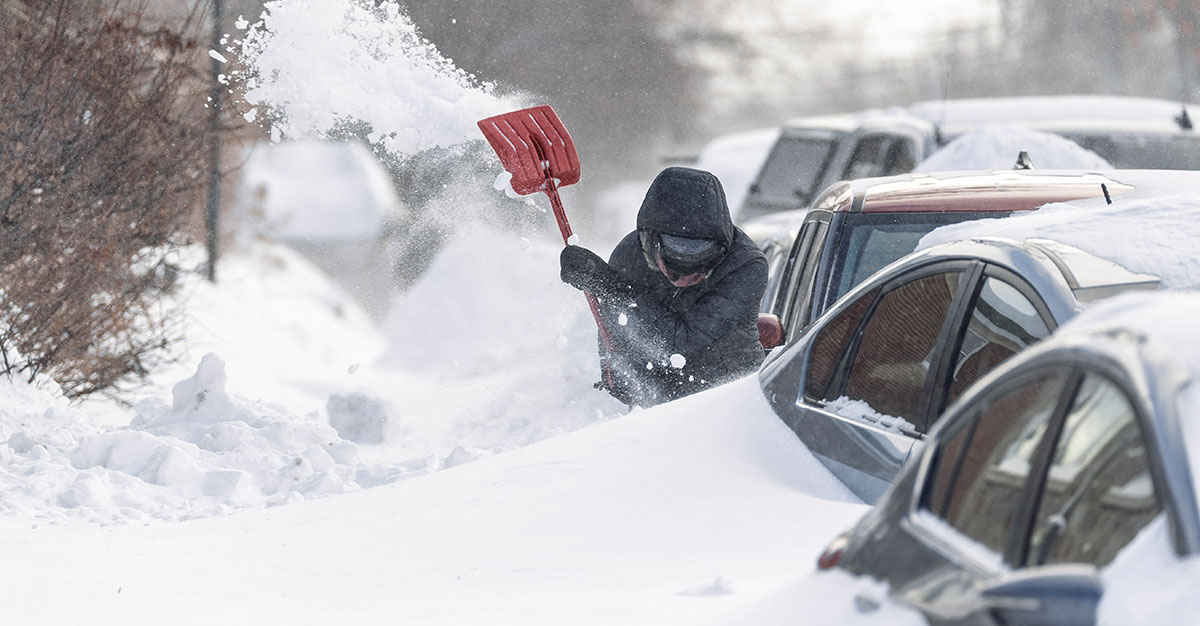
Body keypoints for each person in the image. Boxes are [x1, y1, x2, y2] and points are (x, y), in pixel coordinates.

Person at [559, 166, 768, 407]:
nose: (685, 278)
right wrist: (619, 380)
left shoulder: (747, 266)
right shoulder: (631, 255)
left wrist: (612, 289)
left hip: (728, 397)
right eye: (674, 265)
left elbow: (682, 346)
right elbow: (615, 329)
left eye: (700, 265)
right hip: (651, 402)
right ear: (651, 243)